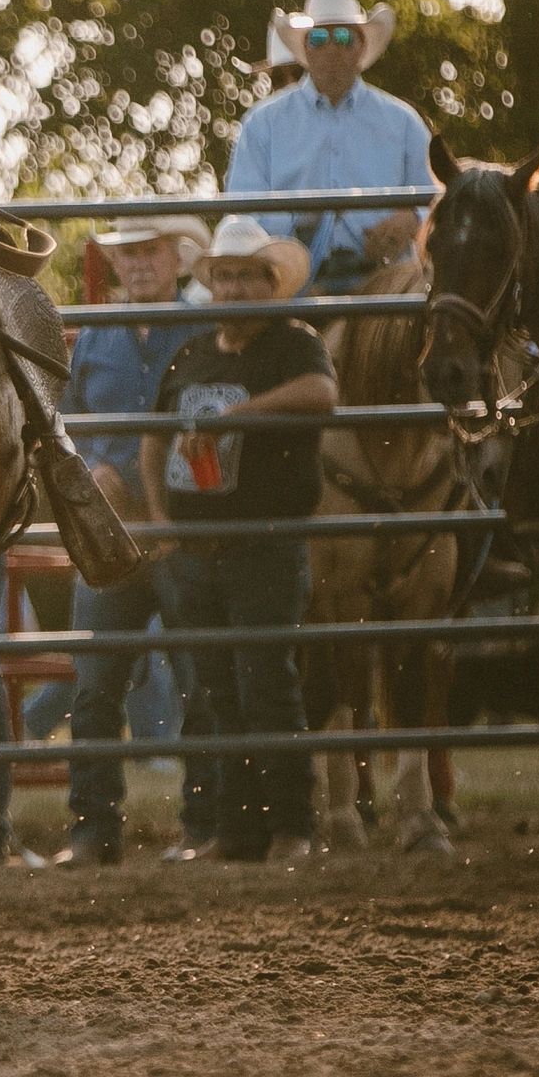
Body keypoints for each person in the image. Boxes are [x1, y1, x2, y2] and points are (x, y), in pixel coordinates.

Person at [140, 216, 337, 862]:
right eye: (222, 276)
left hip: (265, 543)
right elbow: (153, 436)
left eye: (244, 276)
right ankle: (237, 828)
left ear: (269, 283)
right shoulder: (192, 351)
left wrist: (236, 416)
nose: (229, 289)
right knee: (215, 692)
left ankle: (292, 827)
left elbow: (321, 394)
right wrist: (162, 524)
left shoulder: (294, 343)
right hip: (196, 548)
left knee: (267, 685)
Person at [53, 214, 209, 865]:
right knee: (94, 687)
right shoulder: (95, 337)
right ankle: (93, 828)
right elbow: (67, 419)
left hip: (186, 532)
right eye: (129, 255)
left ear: (175, 258)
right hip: (114, 535)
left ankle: (206, 824)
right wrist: (95, 464)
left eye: (151, 252)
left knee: (204, 679)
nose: (140, 264)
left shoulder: (204, 331)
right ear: (115, 266)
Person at [226, 0, 433, 297]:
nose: (331, 48)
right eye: (319, 38)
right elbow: (242, 213)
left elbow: (437, 202)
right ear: (304, 49)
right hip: (287, 285)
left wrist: (412, 218)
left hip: (385, 283)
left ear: (362, 46)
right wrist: (295, 231)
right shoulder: (262, 124)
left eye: (344, 37)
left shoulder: (403, 122)